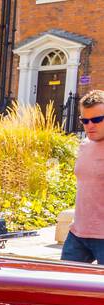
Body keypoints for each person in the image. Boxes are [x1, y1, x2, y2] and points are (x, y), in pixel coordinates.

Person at [64, 89, 104, 264]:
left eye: (96, 120)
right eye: (84, 120)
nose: (90, 125)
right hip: (78, 234)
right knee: (63, 287)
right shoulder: (84, 146)